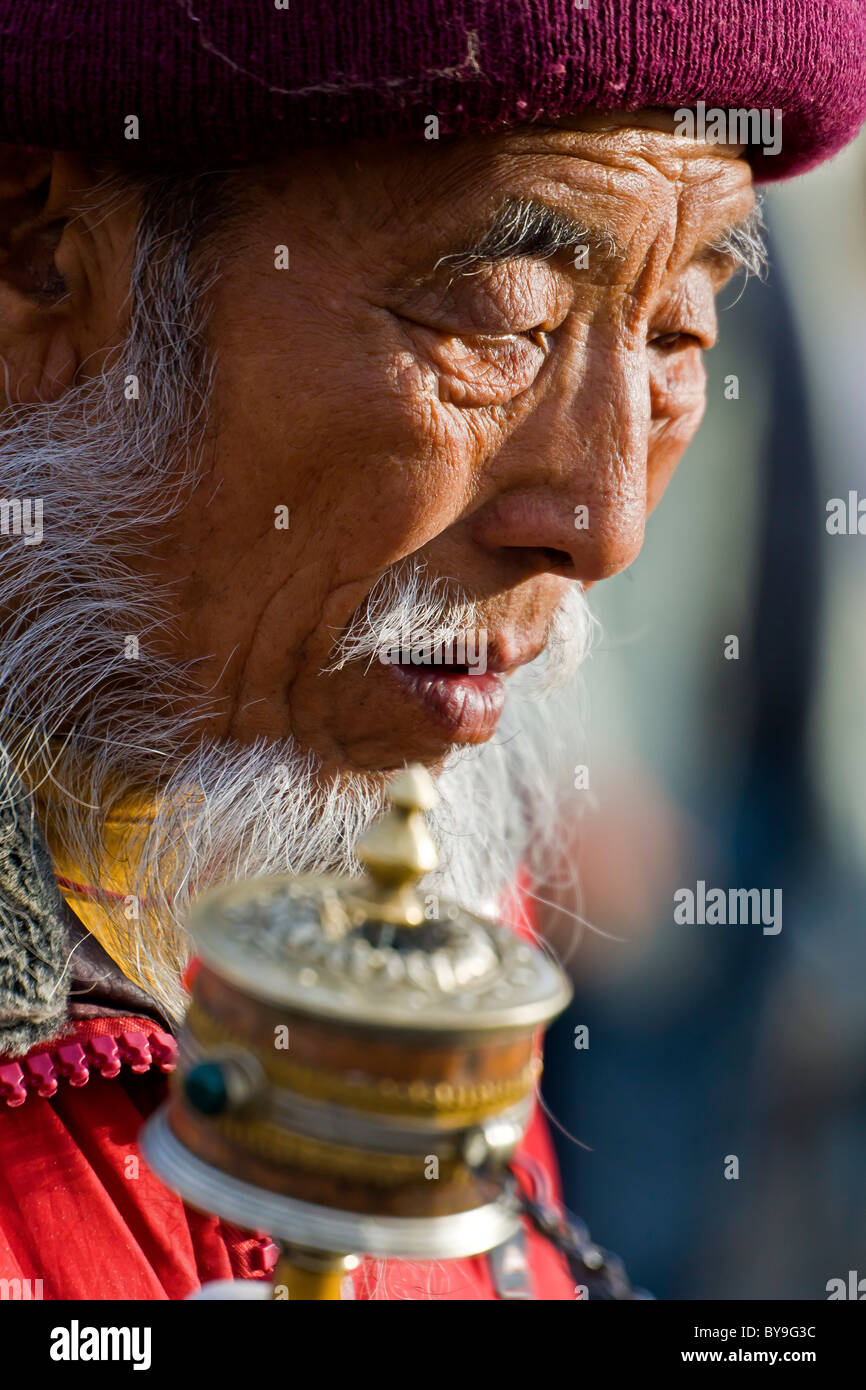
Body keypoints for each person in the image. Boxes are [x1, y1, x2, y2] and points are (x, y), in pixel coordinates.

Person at [0, 0, 863, 1300]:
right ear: (40, 255)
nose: (604, 522)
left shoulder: (366, 833)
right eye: (498, 322)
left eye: (677, 337)